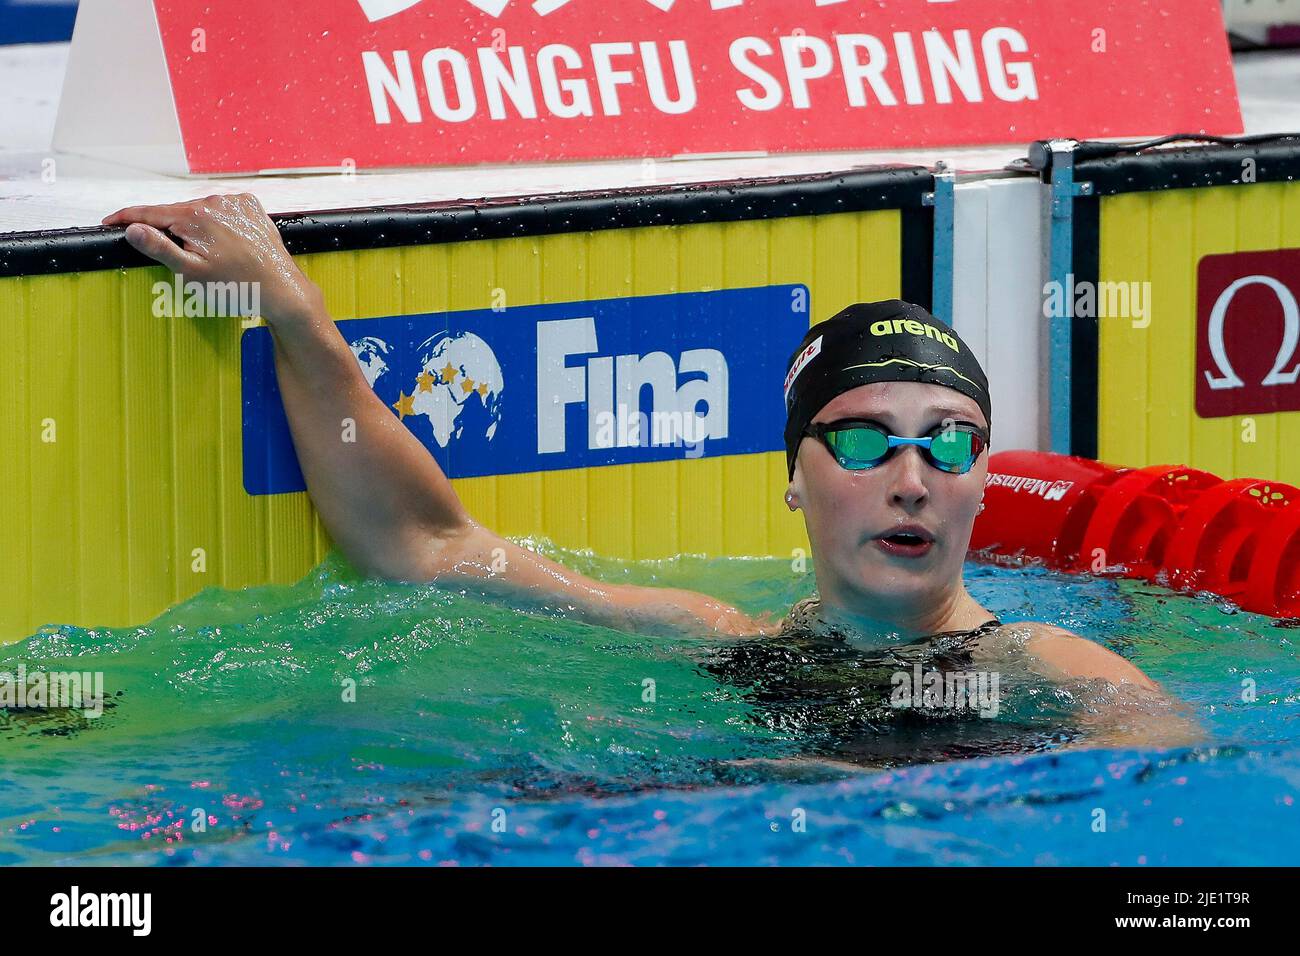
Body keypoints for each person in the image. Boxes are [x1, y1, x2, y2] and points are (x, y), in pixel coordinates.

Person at [102, 193, 1200, 752]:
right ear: (792, 477)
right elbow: (424, 547)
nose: (910, 475)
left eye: (948, 440)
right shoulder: (715, 636)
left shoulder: (1046, 661)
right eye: (864, 440)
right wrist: (291, 310)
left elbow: (1167, 766)